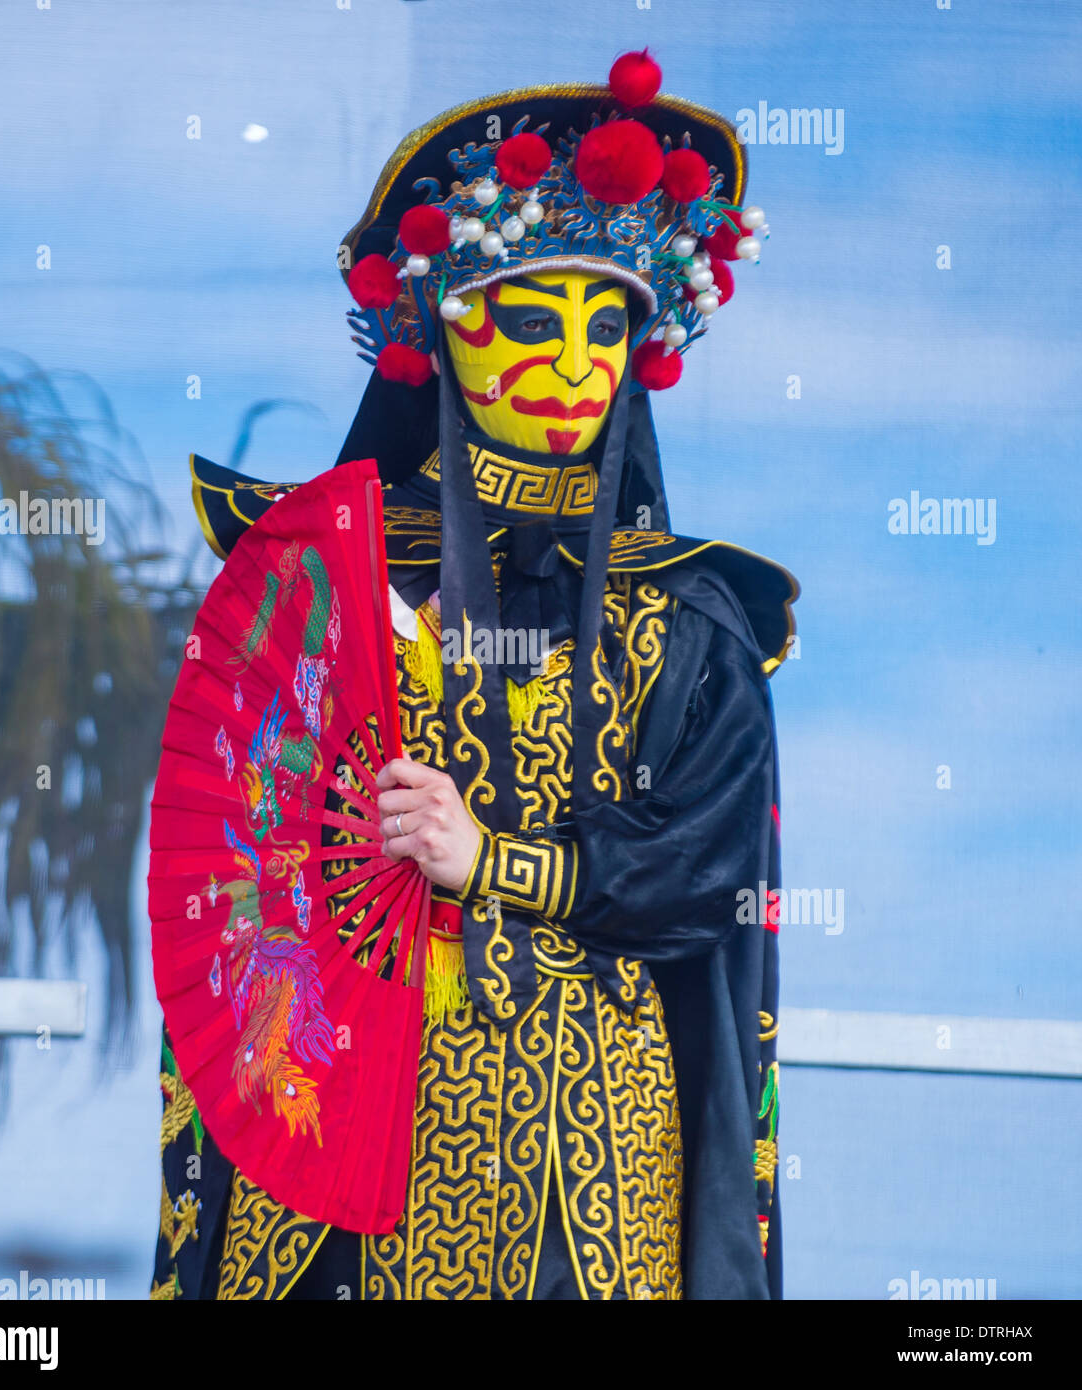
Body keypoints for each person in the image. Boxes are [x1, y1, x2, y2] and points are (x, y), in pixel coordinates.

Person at [153, 49, 797, 1301]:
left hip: (591, 1147)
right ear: (445, 331)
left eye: (603, 324)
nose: (572, 366)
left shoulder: (691, 619)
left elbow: (706, 874)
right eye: (532, 320)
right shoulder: (328, 585)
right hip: (349, 1111)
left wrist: (487, 859)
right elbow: (235, 861)